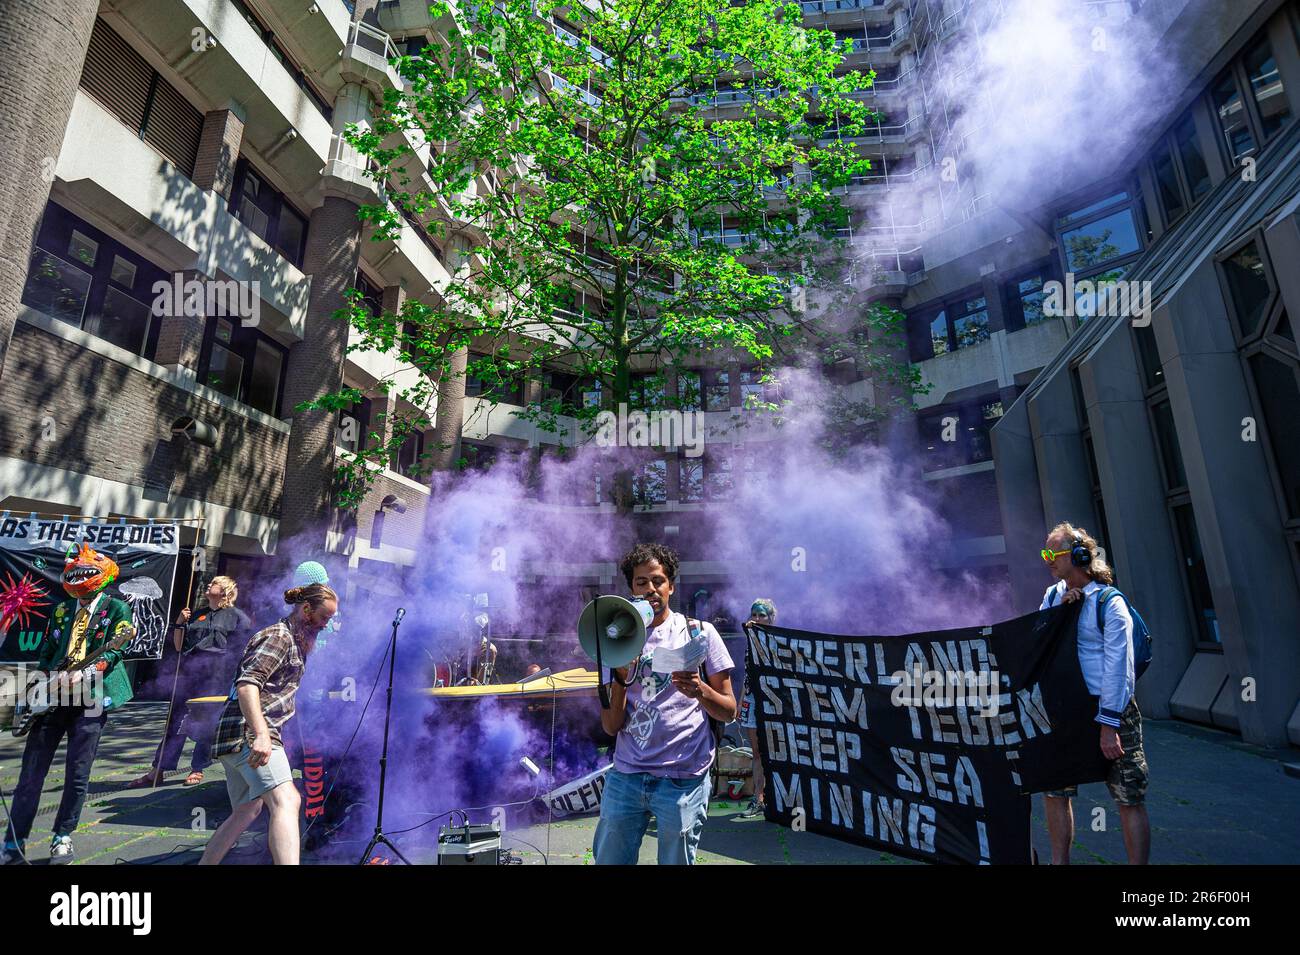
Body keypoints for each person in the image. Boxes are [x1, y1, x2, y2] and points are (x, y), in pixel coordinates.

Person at [593, 543, 736, 865]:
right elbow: (610, 726)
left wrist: (700, 691)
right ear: (631, 589)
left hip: (683, 778)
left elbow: (729, 709)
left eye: (657, 581)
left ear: (671, 585)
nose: (650, 590)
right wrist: (619, 677)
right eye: (641, 582)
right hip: (627, 775)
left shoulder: (700, 633)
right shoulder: (613, 641)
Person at [2, 544, 135, 864]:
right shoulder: (62, 609)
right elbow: (48, 651)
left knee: (78, 771)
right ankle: (13, 841)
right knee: (31, 772)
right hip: (52, 698)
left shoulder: (117, 609)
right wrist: (40, 683)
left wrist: (89, 672)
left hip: (90, 698)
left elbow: (115, 650)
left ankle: (63, 835)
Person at [199, 583, 338, 865]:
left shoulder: (295, 640)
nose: (326, 625)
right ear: (306, 609)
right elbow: (248, 685)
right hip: (249, 734)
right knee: (288, 801)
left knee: (247, 810)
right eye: (324, 617)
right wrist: (261, 734)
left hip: (237, 735)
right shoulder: (279, 637)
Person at [1038, 522, 1150, 865]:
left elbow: (1120, 666)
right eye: (1044, 554)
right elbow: (1039, 643)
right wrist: (1062, 614)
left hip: (1110, 710)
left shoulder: (1110, 603)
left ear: (1079, 555)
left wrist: (1109, 724)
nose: (1047, 561)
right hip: (1066, 709)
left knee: (1128, 794)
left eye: (1053, 554)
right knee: (1055, 790)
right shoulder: (1053, 596)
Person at [128, 576, 250, 788]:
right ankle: (158, 770)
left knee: (205, 722)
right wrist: (179, 622)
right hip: (189, 673)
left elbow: (243, 651)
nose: (210, 585)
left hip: (217, 676)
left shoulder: (238, 617)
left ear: (225, 591)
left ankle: (197, 768)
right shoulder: (196, 614)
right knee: (174, 721)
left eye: (215, 583)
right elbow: (178, 646)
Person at [738, 598, 777, 819]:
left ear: (771, 618)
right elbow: (747, 674)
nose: (757, 618)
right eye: (754, 614)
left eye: (762, 615)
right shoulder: (750, 639)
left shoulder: (777, 640)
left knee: (775, 751)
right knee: (757, 752)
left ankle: (776, 798)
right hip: (752, 699)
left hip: (773, 701)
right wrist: (740, 699)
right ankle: (758, 798)